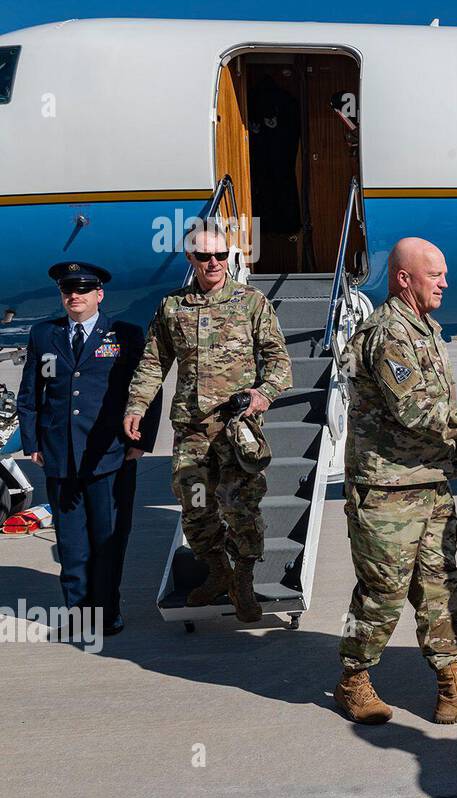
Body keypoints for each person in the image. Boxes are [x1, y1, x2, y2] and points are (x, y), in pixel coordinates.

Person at [333, 237, 457, 726]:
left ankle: (452, 687)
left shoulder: (423, 329)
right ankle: (353, 681)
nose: (445, 282)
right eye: (435, 274)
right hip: (387, 490)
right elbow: (415, 409)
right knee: (383, 592)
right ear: (404, 278)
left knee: (441, 587)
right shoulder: (389, 334)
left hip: (429, 482)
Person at [123, 226, 291, 623]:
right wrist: (136, 405)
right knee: (195, 508)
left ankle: (244, 581)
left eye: (220, 255)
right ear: (190, 260)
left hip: (236, 432)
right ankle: (219, 574)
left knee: (241, 509)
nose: (213, 263)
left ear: (229, 256)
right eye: (204, 257)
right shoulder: (172, 307)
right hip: (192, 434)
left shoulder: (251, 303)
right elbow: (153, 363)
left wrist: (262, 394)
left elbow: (280, 364)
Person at [17, 261, 161, 636]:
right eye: (68, 290)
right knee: (71, 544)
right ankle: (80, 615)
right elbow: (30, 393)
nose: (73, 296)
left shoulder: (124, 335)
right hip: (60, 456)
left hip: (110, 454)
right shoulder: (44, 335)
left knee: (108, 539)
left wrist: (141, 442)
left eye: (82, 289)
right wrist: (31, 442)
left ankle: (107, 611)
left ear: (99, 294)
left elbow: (149, 389)